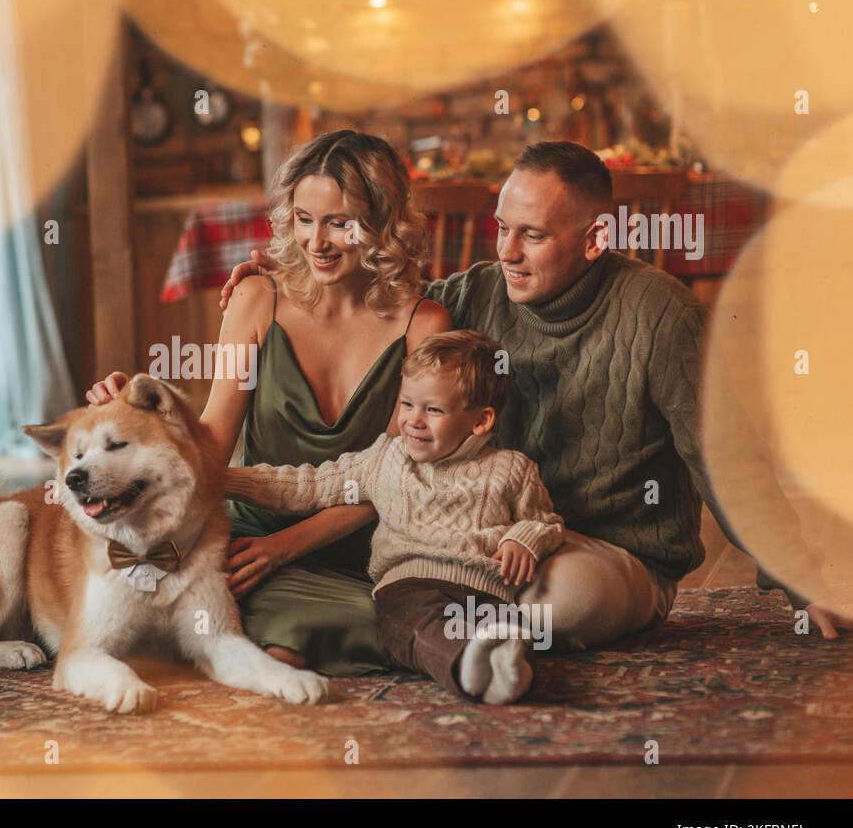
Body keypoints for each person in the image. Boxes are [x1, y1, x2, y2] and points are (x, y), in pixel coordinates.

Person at [218, 140, 850, 643]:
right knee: (429, 574)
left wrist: (794, 571)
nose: (508, 253)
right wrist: (292, 275)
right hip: (499, 540)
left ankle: (460, 635)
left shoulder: (661, 314)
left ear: (595, 239)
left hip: (609, 550)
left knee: (564, 598)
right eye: (502, 228)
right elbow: (384, 300)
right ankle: (459, 639)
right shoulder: (474, 294)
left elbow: (725, 457)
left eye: (534, 236)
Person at [86, 130, 450, 675]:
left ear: (381, 223)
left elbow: (399, 479)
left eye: (339, 222)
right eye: (304, 219)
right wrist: (139, 417)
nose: (316, 241)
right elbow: (209, 440)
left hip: (362, 542)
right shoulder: (258, 300)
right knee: (258, 631)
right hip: (250, 533)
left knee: (352, 624)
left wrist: (287, 547)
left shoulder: (425, 324)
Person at [224, 329, 567, 703]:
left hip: (486, 586)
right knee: (413, 629)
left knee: (511, 628)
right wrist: (223, 480)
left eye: (433, 409)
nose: (414, 421)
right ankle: (472, 662)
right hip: (408, 585)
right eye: (407, 404)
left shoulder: (512, 468)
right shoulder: (386, 457)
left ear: (481, 421)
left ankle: (503, 663)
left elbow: (546, 521)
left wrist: (524, 539)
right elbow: (307, 485)